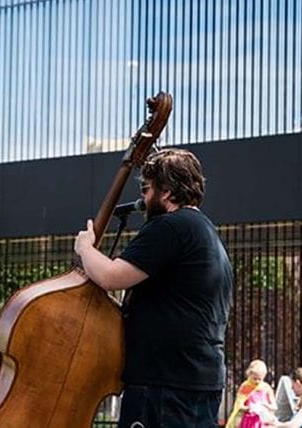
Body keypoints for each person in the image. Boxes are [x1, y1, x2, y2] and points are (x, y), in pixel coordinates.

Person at [74, 148, 234, 428]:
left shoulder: (170, 227)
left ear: (168, 192)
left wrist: (85, 248)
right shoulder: (205, 231)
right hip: (197, 379)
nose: (143, 199)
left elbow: (112, 276)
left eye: (148, 190)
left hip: (165, 384)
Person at [226, 359, 277, 428]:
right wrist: (250, 408)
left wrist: (265, 406)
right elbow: (239, 405)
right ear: (249, 374)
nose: (257, 381)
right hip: (248, 421)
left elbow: (274, 406)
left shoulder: (266, 388)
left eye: (260, 379)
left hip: (262, 421)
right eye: (254, 378)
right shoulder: (245, 386)